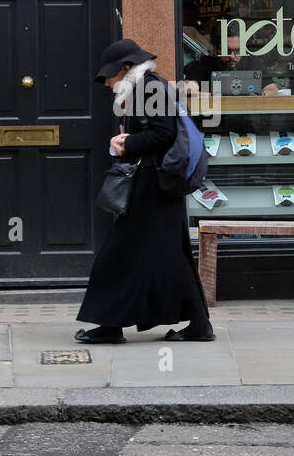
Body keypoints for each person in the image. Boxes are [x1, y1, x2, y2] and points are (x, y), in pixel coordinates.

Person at [75, 39, 215, 344]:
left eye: (111, 75)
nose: (108, 83)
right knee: (170, 254)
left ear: (126, 68)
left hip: (151, 185)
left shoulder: (148, 88)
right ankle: (198, 324)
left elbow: (163, 134)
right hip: (158, 184)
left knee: (118, 253)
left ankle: (111, 325)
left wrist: (127, 143)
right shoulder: (147, 87)